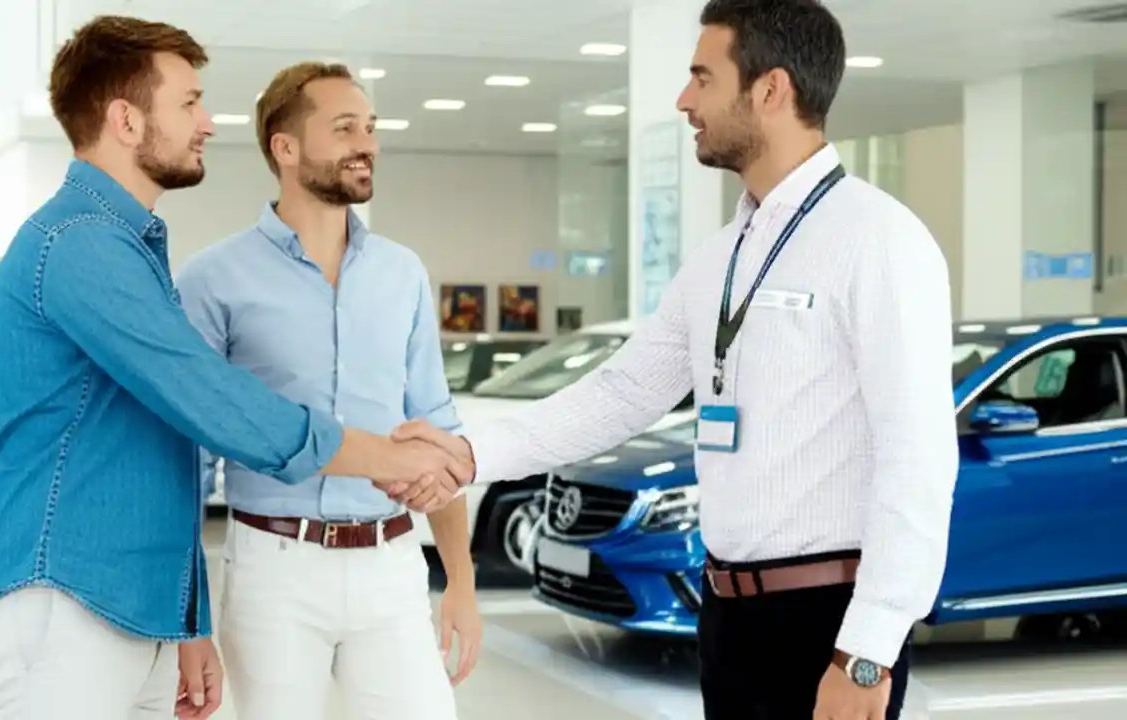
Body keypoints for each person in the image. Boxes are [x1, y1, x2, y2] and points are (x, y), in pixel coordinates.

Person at [389, 1, 959, 718]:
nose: (684, 100)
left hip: (828, 624)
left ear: (771, 89)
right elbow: (623, 392)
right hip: (727, 619)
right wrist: (471, 454)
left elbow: (919, 459)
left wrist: (868, 652)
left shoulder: (878, 240)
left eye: (702, 77)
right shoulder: (723, 254)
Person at [0, 16, 467, 720]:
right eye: (189, 102)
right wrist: (385, 455)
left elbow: (170, 456)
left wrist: (186, 616)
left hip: (129, 607)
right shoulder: (79, 245)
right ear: (126, 120)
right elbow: (216, 404)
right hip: (64, 600)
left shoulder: (128, 248)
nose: (206, 123)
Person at [174, 61, 479, 720]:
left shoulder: (402, 273)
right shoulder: (213, 280)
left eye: (369, 128)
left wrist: (460, 578)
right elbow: (185, 467)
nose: (365, 143)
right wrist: (189, 619)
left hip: (393, 561)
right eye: (344, 128)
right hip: (273, 566)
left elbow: (435, 427)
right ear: (285, 148)